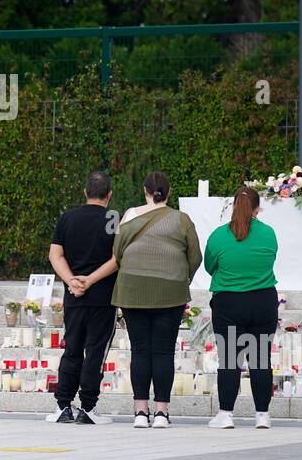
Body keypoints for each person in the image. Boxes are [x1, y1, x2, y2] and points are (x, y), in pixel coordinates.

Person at [106, 171, 202, 429]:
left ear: (145, 191)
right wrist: (183, 279)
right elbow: (195, 257)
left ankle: (140, 412)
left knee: (139, 350)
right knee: (163, 351)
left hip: (133, 289)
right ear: (168, 192)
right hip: (170, 291)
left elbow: (117, 253)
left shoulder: (128, 216)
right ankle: (161, 412)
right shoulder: (181, 220)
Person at [204, 185, 279, 430]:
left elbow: (209, 266)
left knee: (230, 359)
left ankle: (226, 414)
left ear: (233, 206)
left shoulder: (219, 235)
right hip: (263, 301)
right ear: (258, 209)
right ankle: (262, 415)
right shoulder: (269, 234)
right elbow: (269, 260)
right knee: (260, 359)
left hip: (229, 302)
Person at [47, 170, 119, 425]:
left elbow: (55, 255)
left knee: (73, 349)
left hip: (73, 296)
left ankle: (62, 406)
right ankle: (88, 407)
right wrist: (90, 280)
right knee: (95, 351)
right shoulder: (113, 217)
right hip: (103, 296)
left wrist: (72, 281)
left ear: (85, 192)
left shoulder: (68, 217)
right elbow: (116, 258)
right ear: (109, 194)